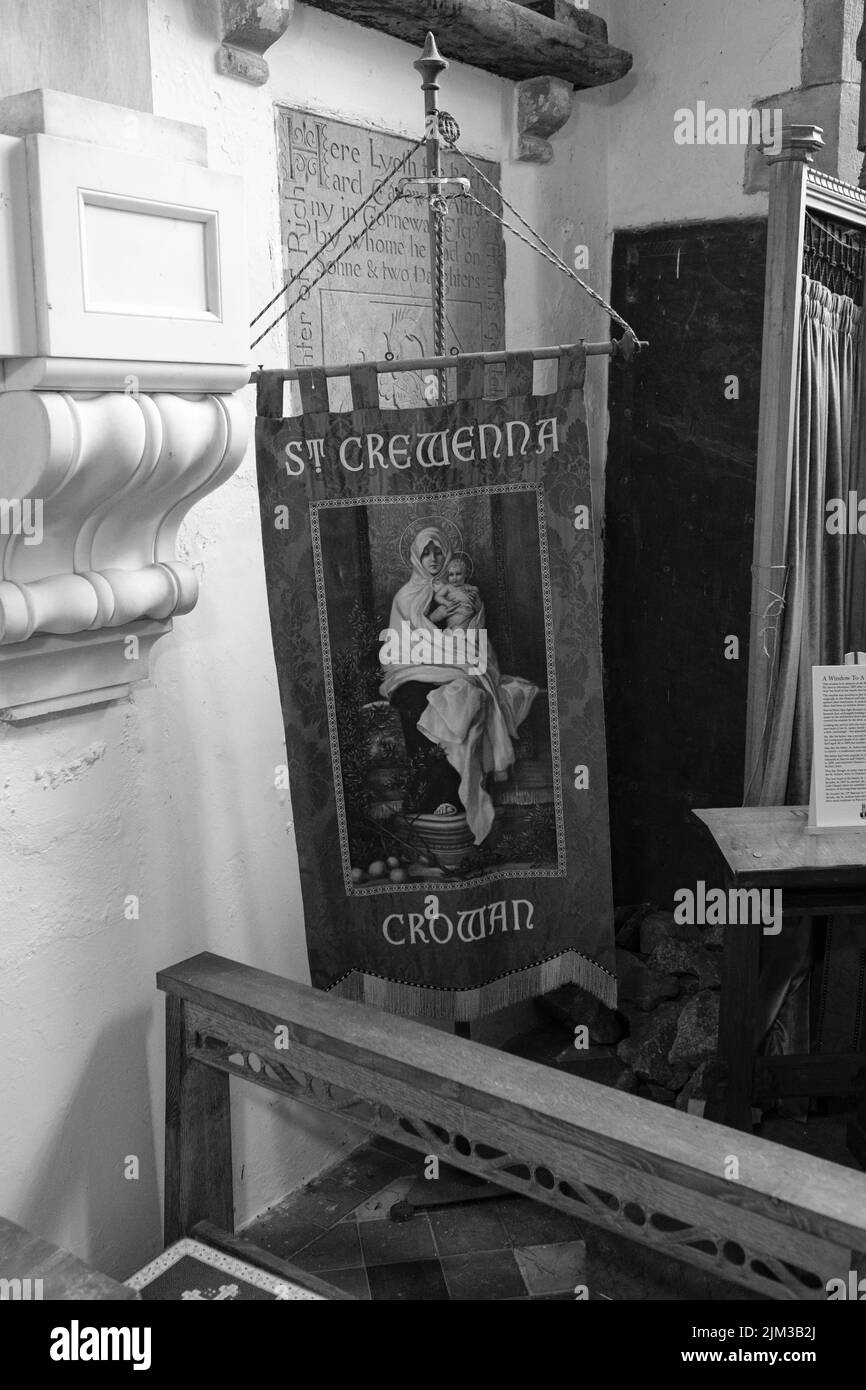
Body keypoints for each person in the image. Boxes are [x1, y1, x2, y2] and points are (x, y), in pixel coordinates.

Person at [379, 525, 538, 844]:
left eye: (439, 551)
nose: (434, 558)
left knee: (463, 701)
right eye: (427, 552)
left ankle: (449, 797)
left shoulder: (465, 588)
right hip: (414, 667)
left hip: (457, 661)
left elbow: (475, 630)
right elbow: (399, 646)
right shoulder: (406, 596)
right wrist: (433, 628)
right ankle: (426, 795)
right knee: (416, 701)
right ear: (416, 556)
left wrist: (457, 640)